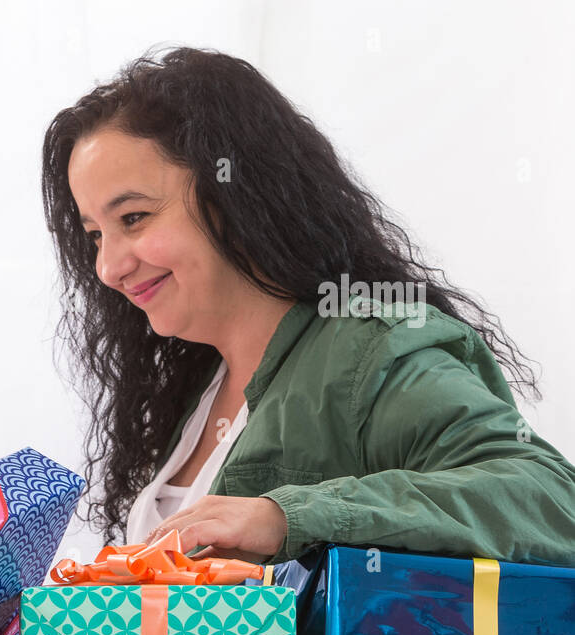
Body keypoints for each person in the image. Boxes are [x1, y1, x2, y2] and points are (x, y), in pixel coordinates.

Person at [42, 46, 575, 567]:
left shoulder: (368, 353)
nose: (107, 268)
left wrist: (287, 516)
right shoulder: (200, 386)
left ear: (233, 194)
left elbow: (551, 500)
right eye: (94, 234)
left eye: (133, 218)